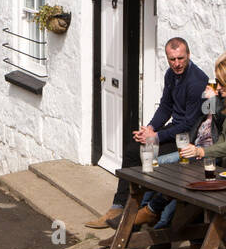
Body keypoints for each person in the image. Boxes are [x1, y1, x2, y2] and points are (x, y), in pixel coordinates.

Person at [137, 51, 226, 249]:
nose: (219, 87)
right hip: (224, 167)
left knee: (184, 188)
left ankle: (156, 224)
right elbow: (214, 121)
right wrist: (214, 101)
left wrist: (201, 152)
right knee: (180, 182)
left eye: (222, 83)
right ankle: (162, 227)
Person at [85, 37, 208, 229]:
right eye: (172, 59)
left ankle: (136, 215)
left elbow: (188, 124)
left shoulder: (196, 82)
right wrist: (150, 128)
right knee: (133, 148)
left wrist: (156, 137)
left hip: (187, 139)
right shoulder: (171, 75)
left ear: (188, 55)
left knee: (145, 154)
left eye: (180, 58)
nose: (177, 64)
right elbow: (165, 106)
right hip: (175, 130)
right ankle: (120, 207)